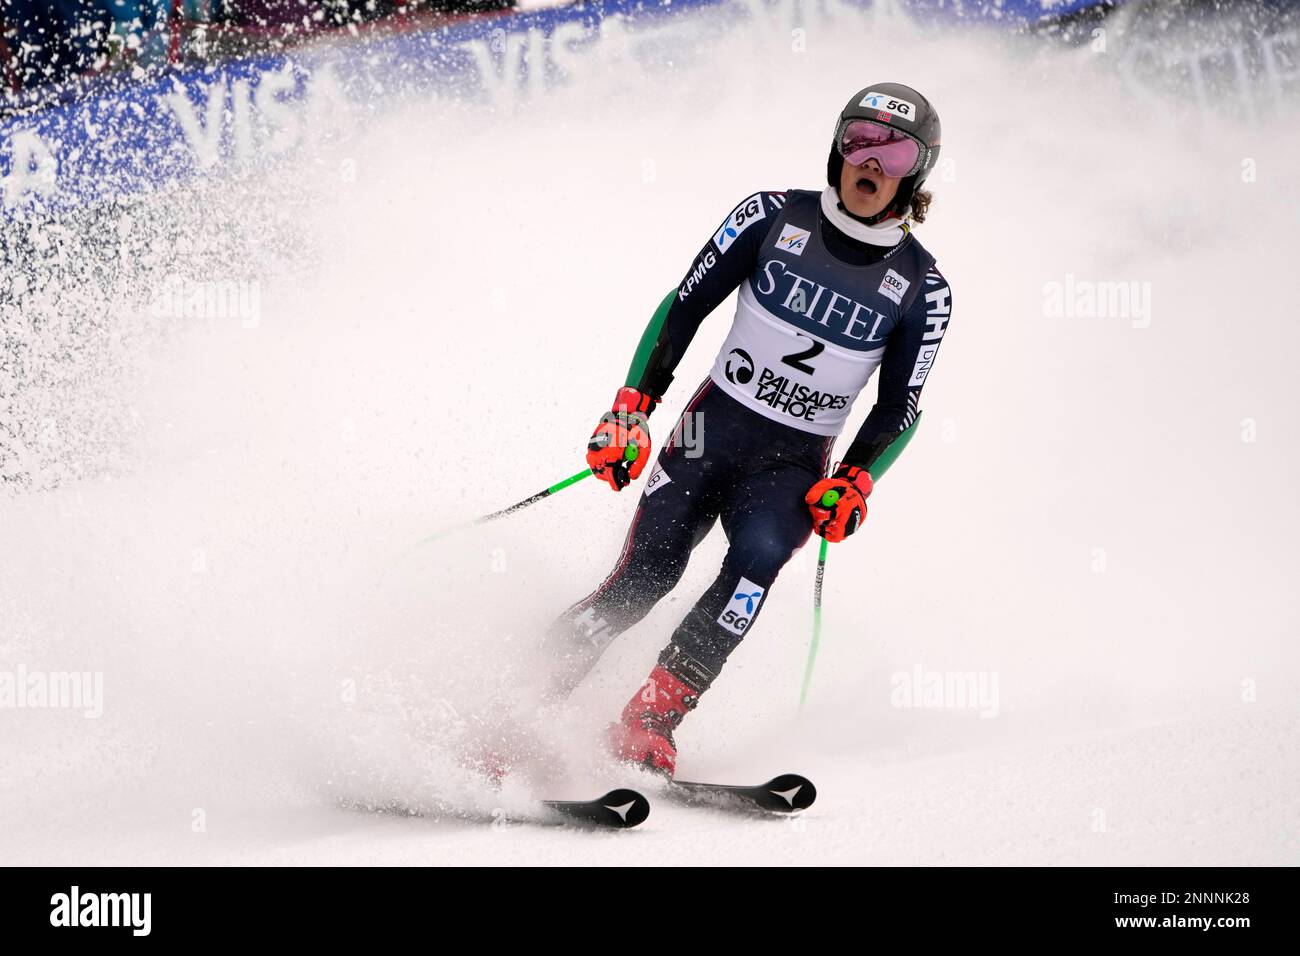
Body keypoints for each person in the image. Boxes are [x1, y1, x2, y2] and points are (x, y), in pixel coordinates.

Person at [545, 83, 953, 777]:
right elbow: (684, 306)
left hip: (791, 468)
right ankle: (523, 694)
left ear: (916, 173)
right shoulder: (770, 215)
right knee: (648, 572)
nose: (871, 162)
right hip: (709, 432)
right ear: (837, 147)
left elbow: (900, 407)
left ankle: (652, 719)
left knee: (756, 563)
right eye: (859, 140)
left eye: (895, 154)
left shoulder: (923, 286)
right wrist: (631, 409)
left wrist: (857, 481)